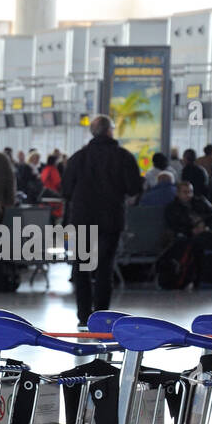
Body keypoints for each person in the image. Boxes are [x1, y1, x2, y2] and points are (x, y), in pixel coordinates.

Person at [61, 115, 144, 325]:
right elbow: (134, 188)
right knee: (105, 268)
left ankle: (83, 315)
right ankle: (101, 315)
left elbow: (66, 190)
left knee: (82, 268)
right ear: (110, 131)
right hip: (111, 220)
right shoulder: (123, 157)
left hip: (82, 220)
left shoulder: (78, 158)